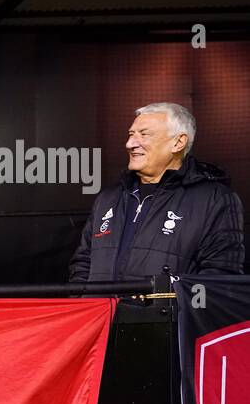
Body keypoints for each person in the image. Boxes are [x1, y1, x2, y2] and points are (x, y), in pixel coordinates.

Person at [69, 102, 244, 282]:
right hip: (102, 311)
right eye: (131, 135)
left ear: (178, 142)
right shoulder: (108, 198)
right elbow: (82, 264)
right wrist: (86, 304)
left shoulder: (214, 199)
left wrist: (175, 309)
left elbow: (220, 277)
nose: (130, 144)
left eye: (144, 135)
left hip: (169, 311)